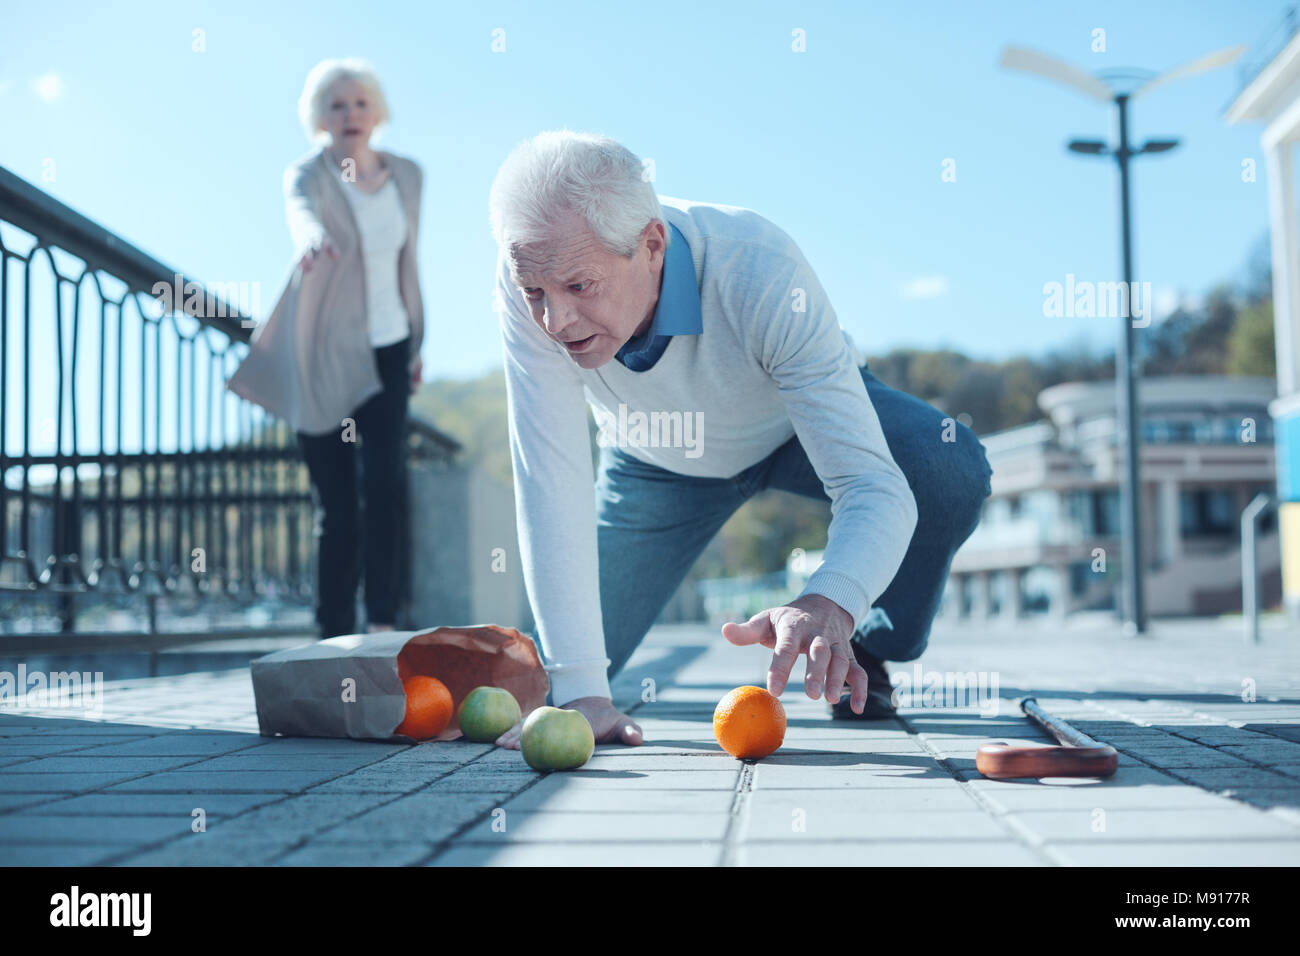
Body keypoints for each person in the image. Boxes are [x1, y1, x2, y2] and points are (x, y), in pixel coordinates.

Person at [487, 131, 992, 749]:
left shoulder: (758, 266)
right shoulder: (535, 270)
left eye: (579, 288)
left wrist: (832, 599)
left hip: (791, 428)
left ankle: (868, 639)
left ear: (652, 244)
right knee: (530, 684)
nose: (555, 321)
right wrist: (584, 692)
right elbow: (550, 476)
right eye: (535, 293)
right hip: (656, 462)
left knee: (947, 465)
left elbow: (870, 484)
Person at [228, 58, 424, 637]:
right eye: (337, 105)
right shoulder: (307, 174)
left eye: (360, 102)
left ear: (376, 110)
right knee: (336, 505)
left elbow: (410, 263)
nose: (350, 115)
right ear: (321, 117)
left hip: (388, 347)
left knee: (385, 489)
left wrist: (417, 339)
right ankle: (333, 635)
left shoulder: (408, 176)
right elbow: (302, 214)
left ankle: (384, 625)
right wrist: (311, 238)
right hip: (319, 352)